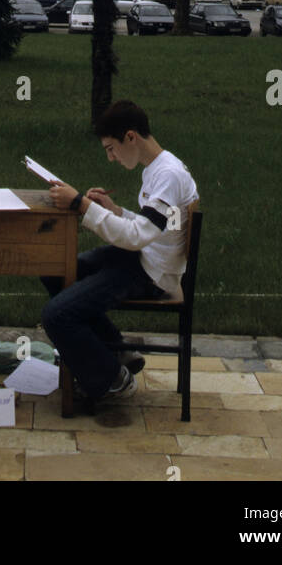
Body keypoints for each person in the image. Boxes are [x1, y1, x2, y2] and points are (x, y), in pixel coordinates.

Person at [42, 99, 198, 404]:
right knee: (54, 270)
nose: (111, 158)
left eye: (111, 148)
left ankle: (112, 378)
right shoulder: (160, 169)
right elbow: (155, 228)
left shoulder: (167, 176)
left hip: (150, 275)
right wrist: (115, 211)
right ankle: (117, 349)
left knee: (56, 316)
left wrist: (81, 205)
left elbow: (137, 238)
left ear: (131, 137)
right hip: (145, 259)